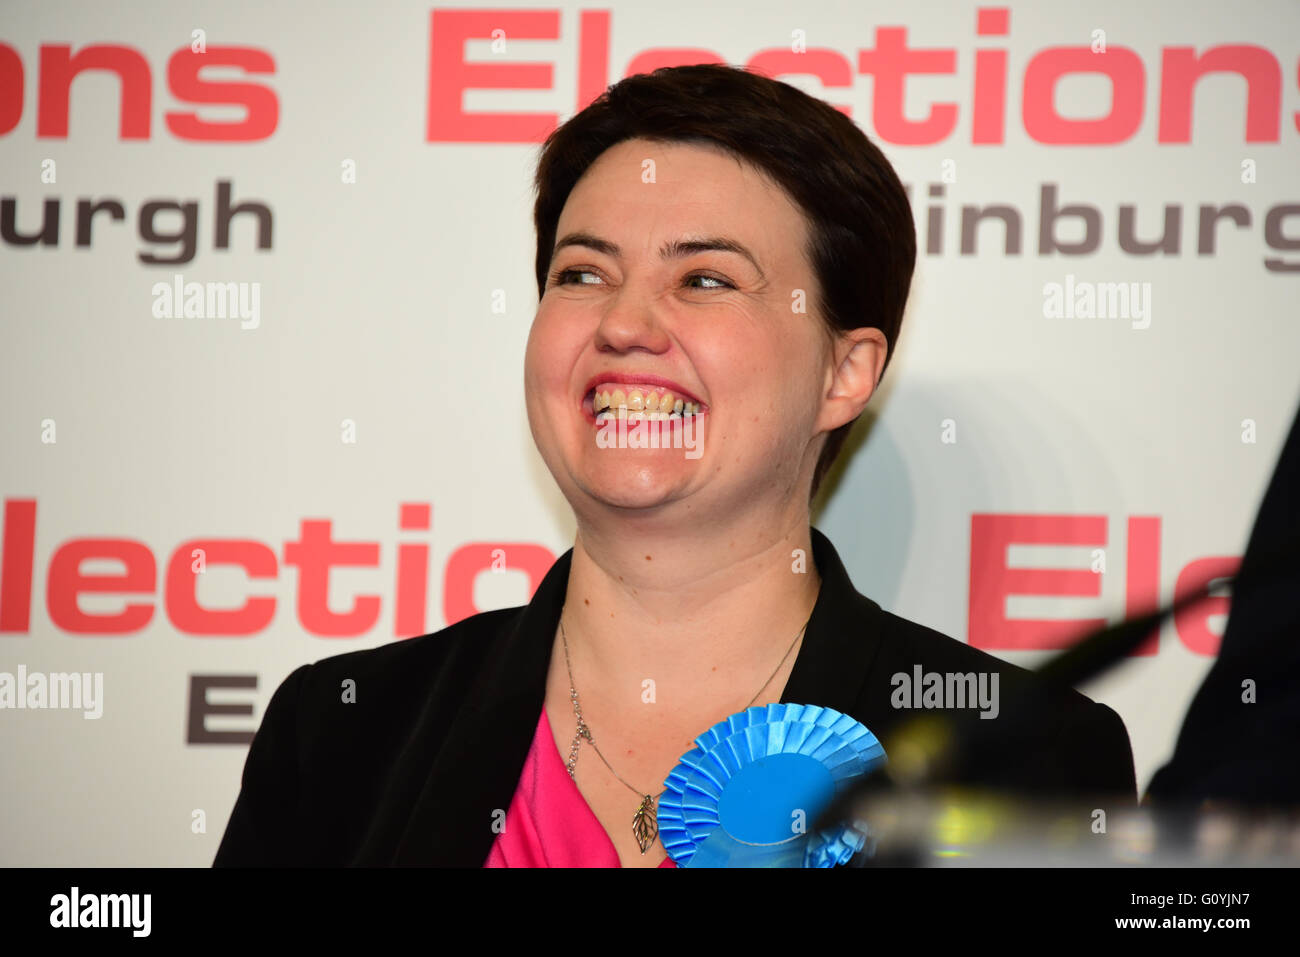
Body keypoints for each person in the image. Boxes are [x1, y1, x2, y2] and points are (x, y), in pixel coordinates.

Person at [213, 63, 1136, 869]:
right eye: (581, 274)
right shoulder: (341, 728)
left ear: (844, 373)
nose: (622, 324)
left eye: (704, 279)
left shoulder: (1027, 758)